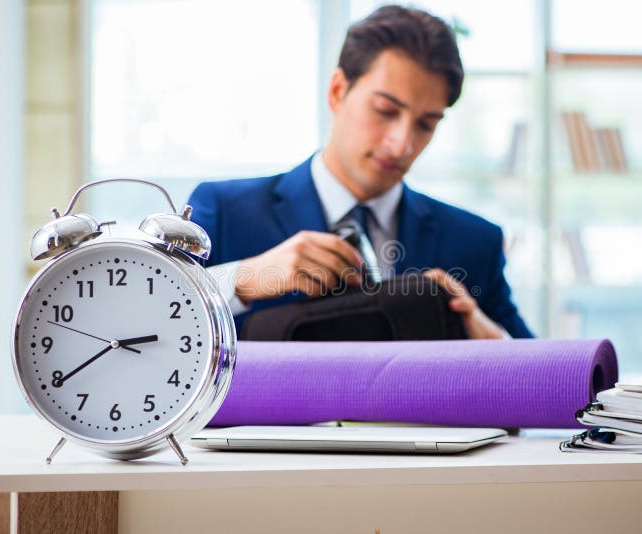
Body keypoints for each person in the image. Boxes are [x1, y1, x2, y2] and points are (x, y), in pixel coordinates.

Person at [187, 4, 533, 339]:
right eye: (385, 110)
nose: (402, 144)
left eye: (426, 124)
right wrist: (243, 280)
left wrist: (492, 345)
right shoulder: (225, 212)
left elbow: (551, 380)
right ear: (338, 91)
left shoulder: (475, 243)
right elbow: (154, 320)